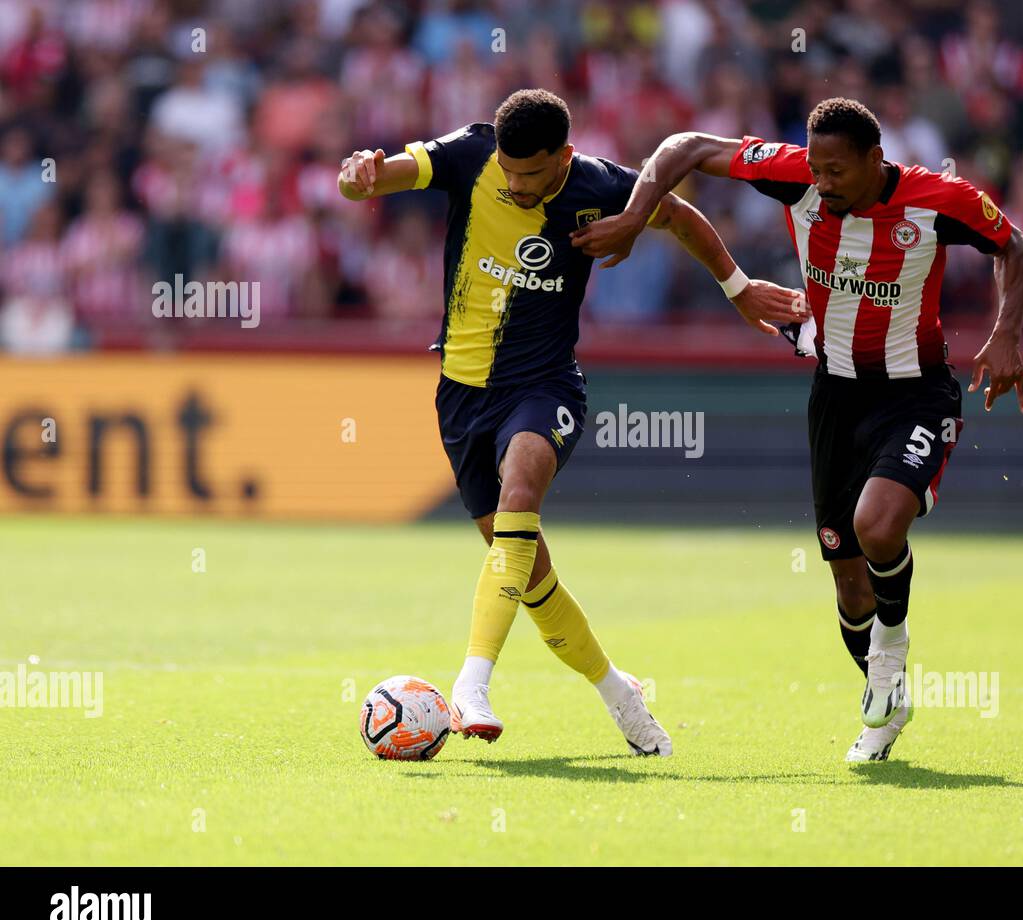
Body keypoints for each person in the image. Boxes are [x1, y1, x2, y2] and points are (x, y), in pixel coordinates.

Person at [338, 88, 807, 756]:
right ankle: (620, 693)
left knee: (519, 495)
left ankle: (472, 684)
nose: (519, 185)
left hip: (544, 385)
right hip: (461, 396)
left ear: (565, 155)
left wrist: (737, 289)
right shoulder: (472, 154)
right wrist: (358, 174)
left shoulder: (601, 186)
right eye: (511, 172)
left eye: (533, 174)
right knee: (529, 574)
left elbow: (680, 217)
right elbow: (383, 175)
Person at [572, 97, 1023, 762]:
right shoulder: (795, 174)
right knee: (849, 584)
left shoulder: (939, 199)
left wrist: (1006, 332)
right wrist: (633, 218)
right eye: (815, 168)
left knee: (879, 525)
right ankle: (886, 704)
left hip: (916, 394)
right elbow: (686, 146)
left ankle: (891, 656)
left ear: (877, 161)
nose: (821, 181)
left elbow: (1011, 246)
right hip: (834, 396)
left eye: (836, 170)